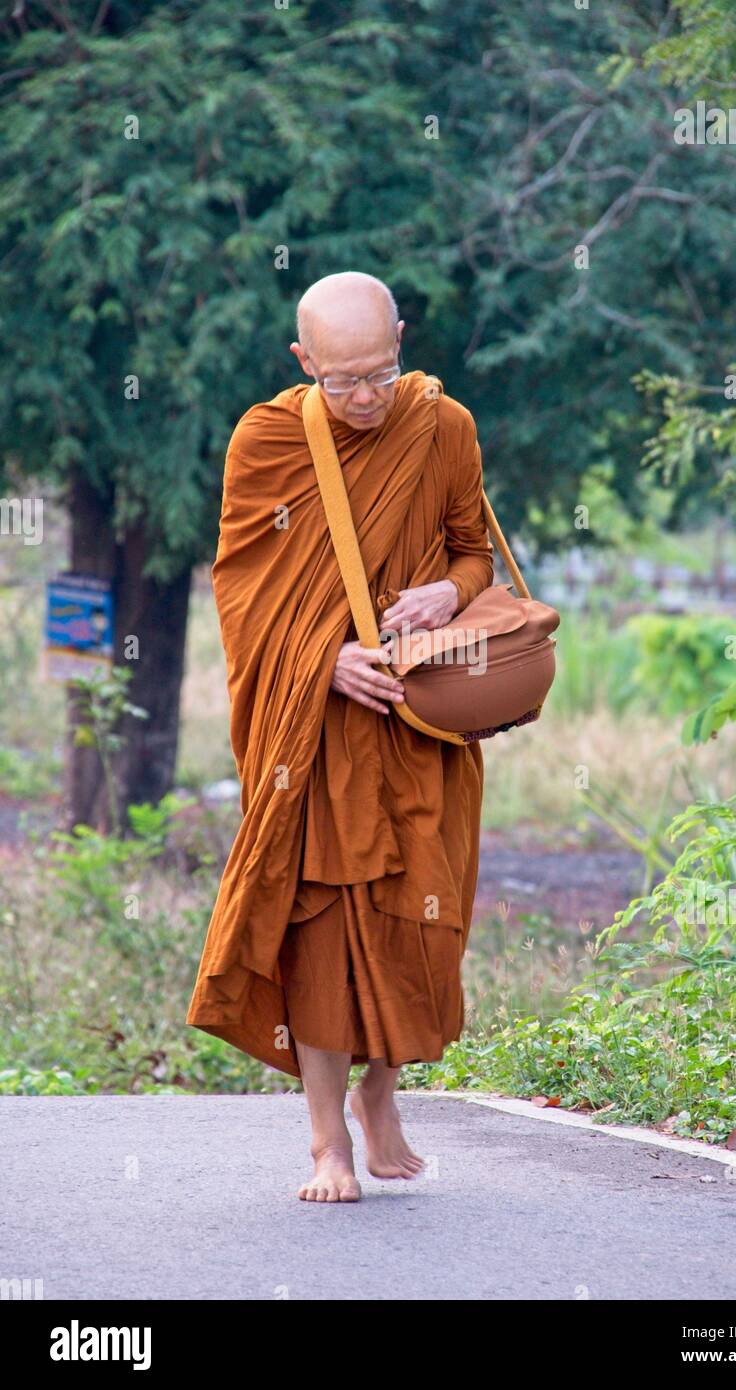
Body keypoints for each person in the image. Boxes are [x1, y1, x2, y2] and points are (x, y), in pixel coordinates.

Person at [186, 271, 493, 1202]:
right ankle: (327, 1143)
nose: (365, 398)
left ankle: (382, 1094)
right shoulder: (268, 441)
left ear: (401, 339)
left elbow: (474, 550)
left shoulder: (443, 427)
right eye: (342, 380)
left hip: (421, 727)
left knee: (420, 925)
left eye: (381, 373)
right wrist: (323, 664)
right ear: (303, 361)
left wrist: (453, 589)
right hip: (313, 741)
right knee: (319, 931)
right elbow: (242, 592)